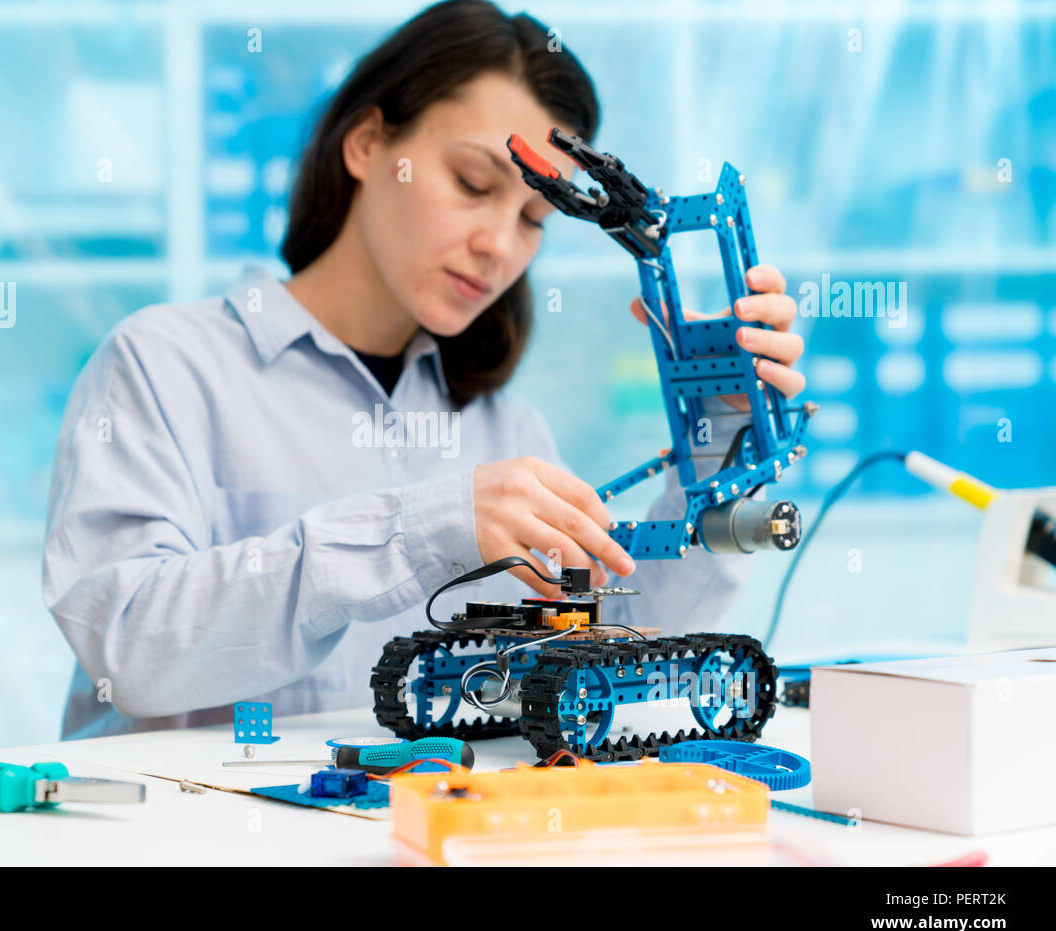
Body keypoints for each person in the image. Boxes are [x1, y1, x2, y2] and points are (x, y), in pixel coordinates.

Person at [42, 0, 807, 739]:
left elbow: (611, 666)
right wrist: (416, 531)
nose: (499, 245)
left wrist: (723, 436)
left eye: (534, 219)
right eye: (474, 185)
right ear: (368, 144)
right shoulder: (162, 366)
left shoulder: (505, 428)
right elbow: (129, 647)